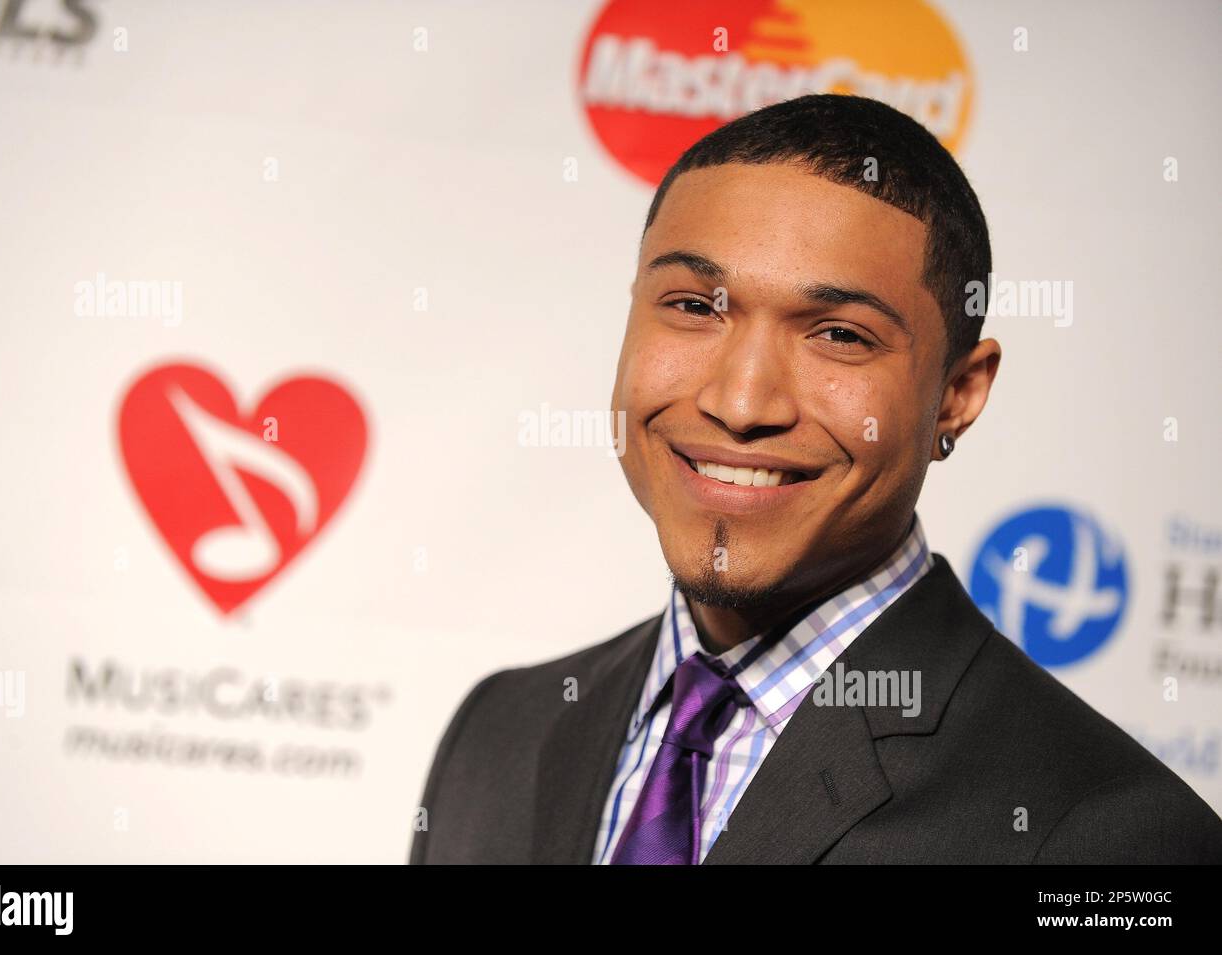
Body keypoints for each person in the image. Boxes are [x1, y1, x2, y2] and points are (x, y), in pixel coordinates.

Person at [409, 94, 1222, 864]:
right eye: (695, 306)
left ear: (958, 393)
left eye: (838, 333)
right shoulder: (502, 731)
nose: (740, 401)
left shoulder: (1107, 837)